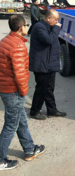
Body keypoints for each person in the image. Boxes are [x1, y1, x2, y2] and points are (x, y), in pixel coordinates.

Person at [0, 15, 45, 171]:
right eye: (27, 25)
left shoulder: (6, 41)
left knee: (21, 121)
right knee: (11, 125)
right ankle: (0, 160)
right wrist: (24, 92)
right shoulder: (17, 46)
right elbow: (19, 73)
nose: (28, 27)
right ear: (21, 28)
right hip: (13, 91)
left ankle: (29, 149)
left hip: (7, 89)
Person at [29, 9, 66, 120]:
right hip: (41, 64)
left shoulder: (49, 27)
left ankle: (52, 110)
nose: (57, 22)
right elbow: (49, 40)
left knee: (49, 88)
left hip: (49, 63)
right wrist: (57, 28)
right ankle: (34, 111)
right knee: (41, 89)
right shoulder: (39, 27)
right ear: (49, 18)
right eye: (56, 19)